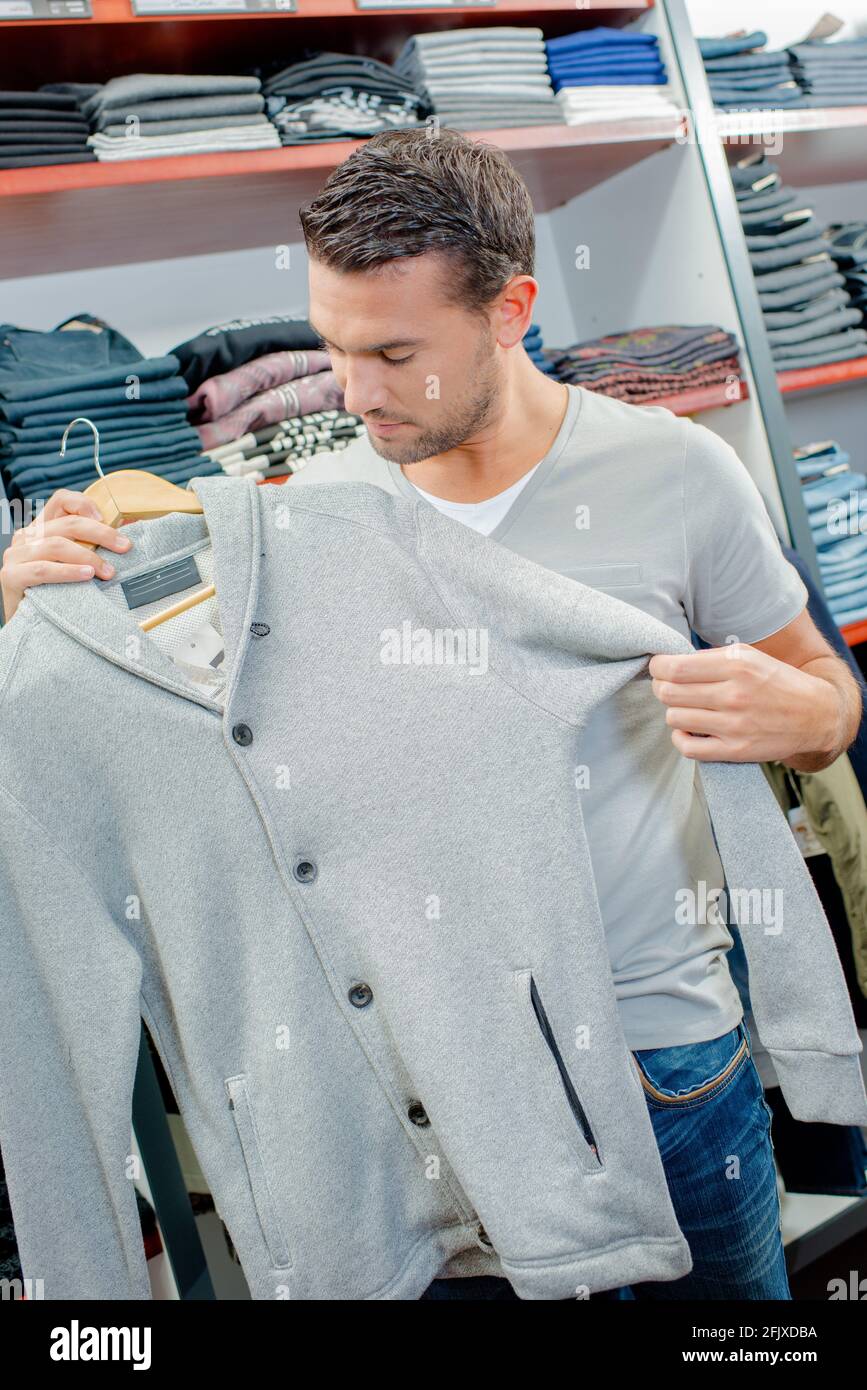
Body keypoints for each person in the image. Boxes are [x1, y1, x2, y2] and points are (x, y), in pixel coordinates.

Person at [1, 128, 861, 1301]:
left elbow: (829, 705)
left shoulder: (676, 476)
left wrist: (793, 709)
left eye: (396, 353)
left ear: (510, 310)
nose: (354, 393)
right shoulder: (305, 516)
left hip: (665, 1061)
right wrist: (33, 599)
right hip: (445, 1095)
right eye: (334, 347)